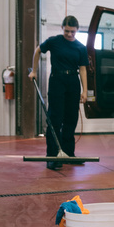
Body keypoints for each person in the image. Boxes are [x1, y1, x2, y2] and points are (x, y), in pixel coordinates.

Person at [28, 16, 88, 171]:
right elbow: (38, 50)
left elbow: (82, 69)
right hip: (57, 81)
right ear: (62, 28)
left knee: (71, 119)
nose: (69, 34)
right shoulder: (54, 41)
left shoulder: (81, 47)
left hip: (73, 82)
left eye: (73, 32)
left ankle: (68, 153)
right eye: (67, 31)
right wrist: (34, 71)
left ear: (77, 30)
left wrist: (85, 91)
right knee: (55, 119)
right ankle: (52, 156)